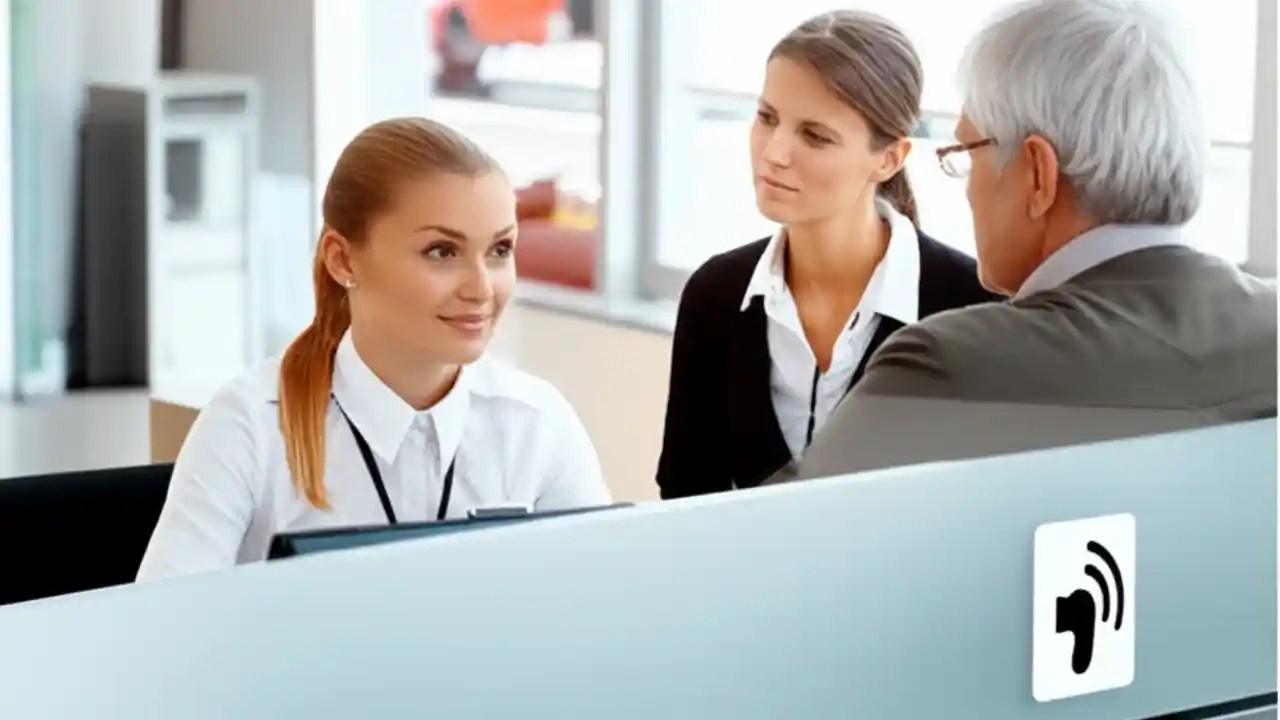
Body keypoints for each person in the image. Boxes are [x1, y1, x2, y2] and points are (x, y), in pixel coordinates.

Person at [778, 0, 1277, 481]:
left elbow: (764, 543)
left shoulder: (948, 365)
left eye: (969, 153)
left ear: (1038, 175)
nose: (969, 189)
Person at [138, 118, 611, 580]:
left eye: (500, 250)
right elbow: (163, 634)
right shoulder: (251, 425)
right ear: (343, 259)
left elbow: (604, 617)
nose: (482, 288)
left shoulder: (537, 423)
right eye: (442, 252)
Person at [655, 10, 1000, 499]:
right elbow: (683, 499)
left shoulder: (971, 305)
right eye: (767, 118)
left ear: (889, 158)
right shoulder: (716, 295)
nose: (774, 152)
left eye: (814, 136)